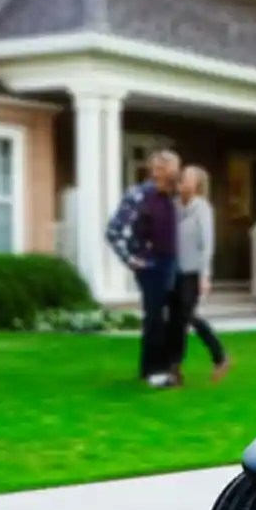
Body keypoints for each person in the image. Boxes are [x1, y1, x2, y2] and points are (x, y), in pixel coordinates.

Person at [106, 149, 180, 388]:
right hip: (150, 264)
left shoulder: (173, 197)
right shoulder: (138, 196)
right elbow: (113, 231)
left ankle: (154, 368)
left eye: (173, 168)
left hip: (171, 263)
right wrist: (131, 259)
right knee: (155, 317)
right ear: (156, 170)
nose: (173, 173)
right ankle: (155, 372)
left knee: (167, 317)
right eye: (168, 168)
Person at [166, 165, 229, 382]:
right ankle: (174, 368)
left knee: (188, 315)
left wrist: (205, 276)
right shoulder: (174, 206)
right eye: (182, 177)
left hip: (193, 272)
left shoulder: (202, 208)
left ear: (197, 185)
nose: (182, 180)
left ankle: (220, 356)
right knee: (175, 321)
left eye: (188, 178)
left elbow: (207, 244)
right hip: (174, 271)